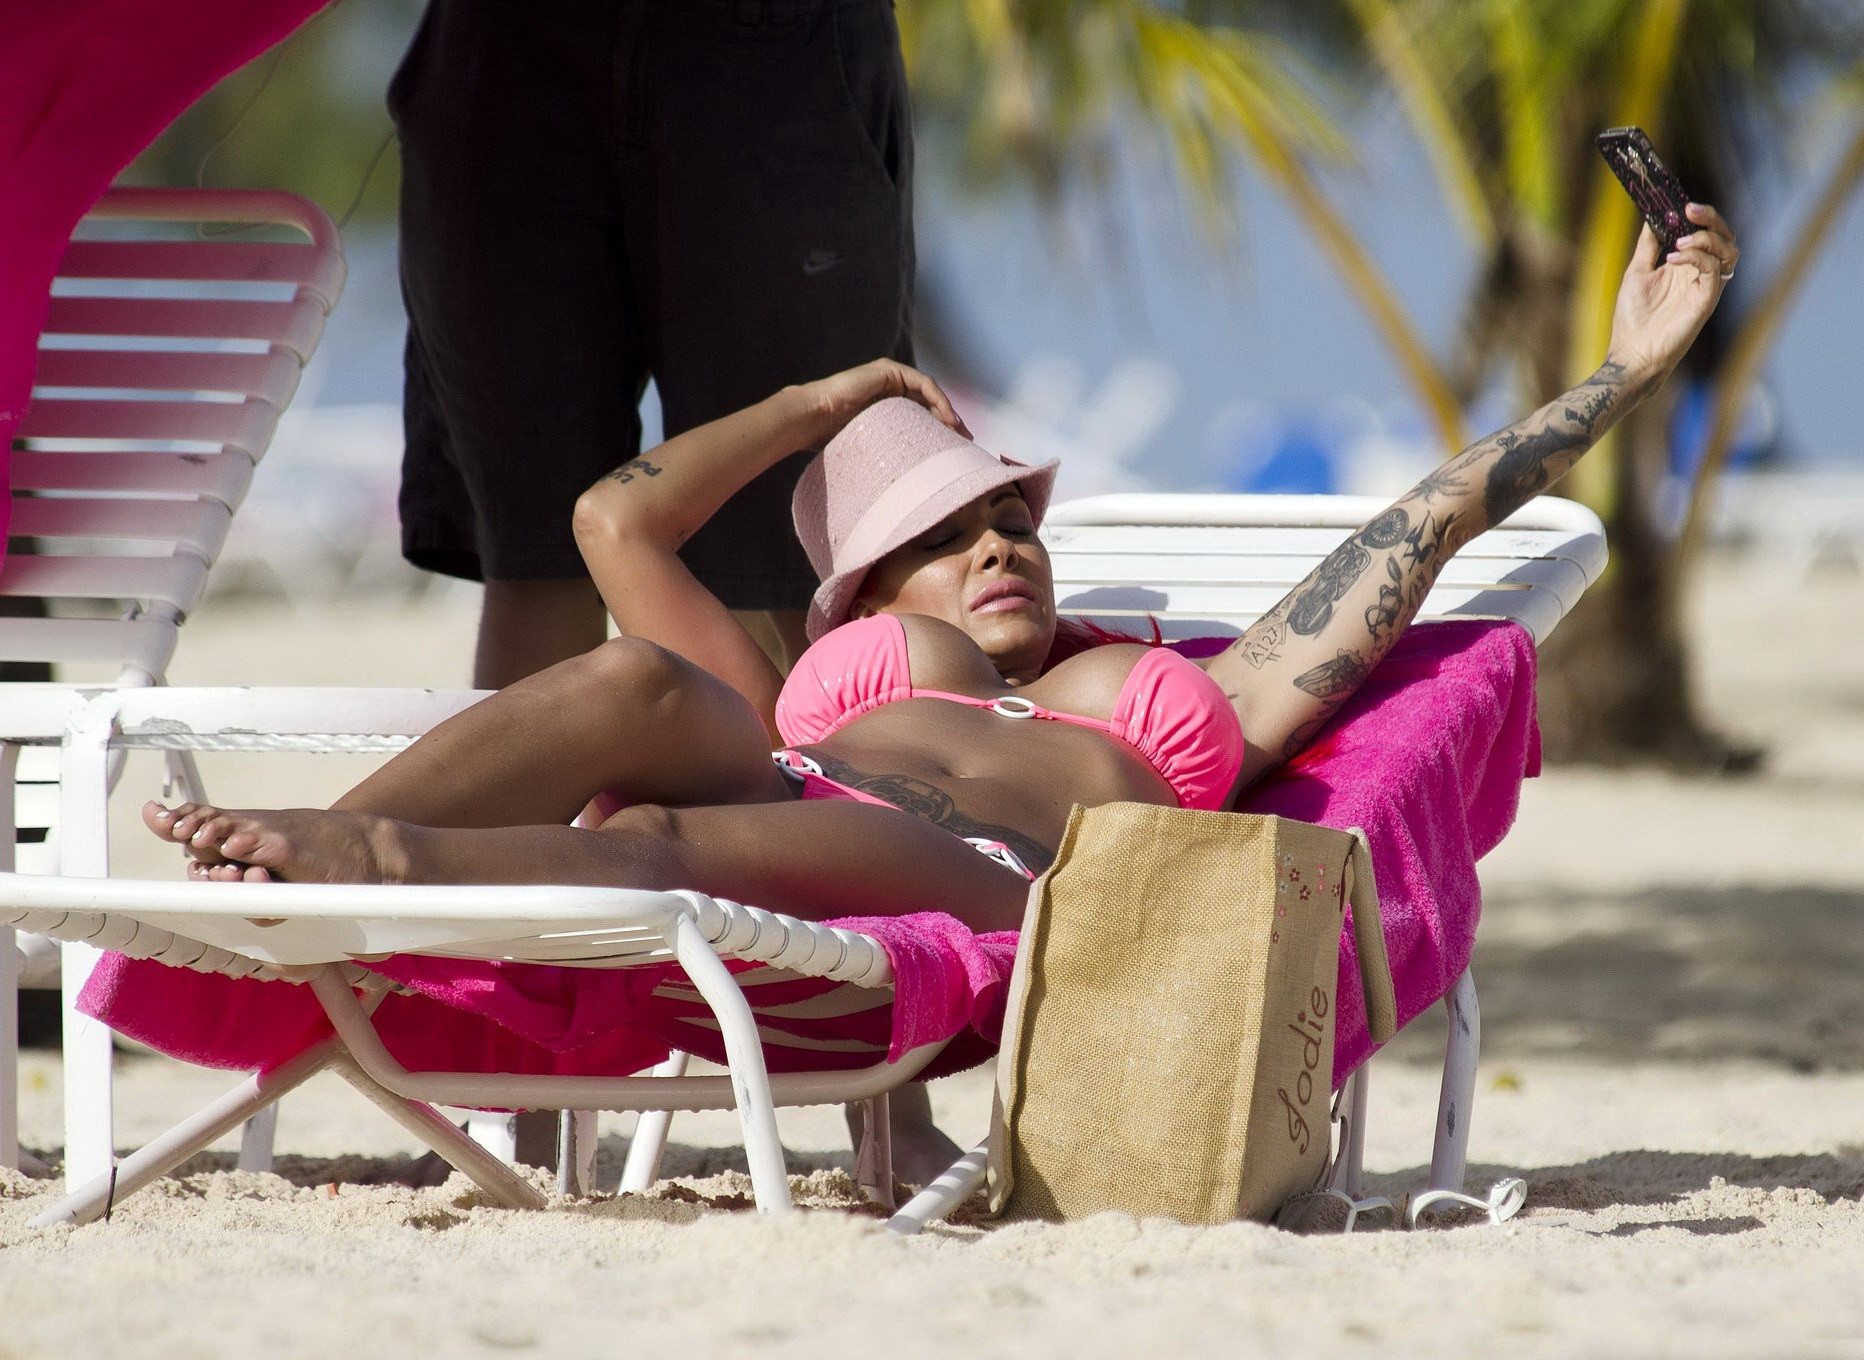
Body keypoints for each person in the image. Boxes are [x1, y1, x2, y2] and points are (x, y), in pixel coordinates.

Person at [142, 209, 1737, 1178]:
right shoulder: (807, 685)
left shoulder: (1190, 697)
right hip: (803, 789)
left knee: (666, 849)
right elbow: (611, 522)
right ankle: (296, 873)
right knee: (632, 681)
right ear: (862, 598)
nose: (998, 543)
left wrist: (1629, 370)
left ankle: (377, 863)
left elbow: (1424, 526)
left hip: (972, 877)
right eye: (944, 535)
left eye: (1012, 517)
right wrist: (827, 394)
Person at [390, 0, 916, 687]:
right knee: (536, 562)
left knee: (812, 567)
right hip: (503, 40)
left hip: (775, 38)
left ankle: (823, 794)